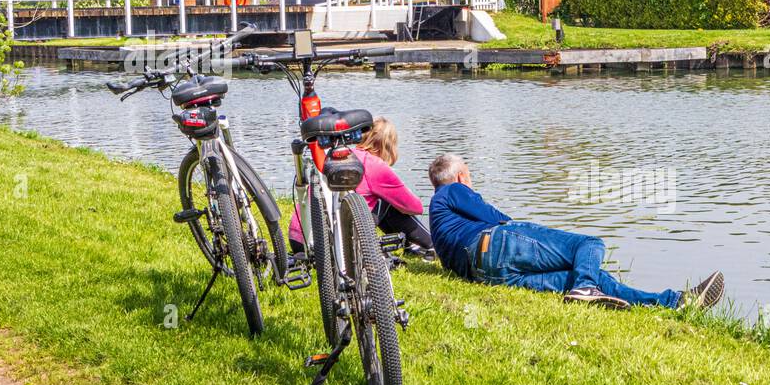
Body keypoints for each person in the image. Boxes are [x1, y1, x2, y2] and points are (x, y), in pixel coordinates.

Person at [426, 152, 723, 311]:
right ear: (461, 175)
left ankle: (675, 302)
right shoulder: (451, 190)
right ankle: (585, 289)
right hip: (498, 244)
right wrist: (513, 225)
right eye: (470, 174)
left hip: (487, 274)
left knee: (594, 277)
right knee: (589, 245)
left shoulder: (439, 219)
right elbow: (494, 216)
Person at [289, 117, 433, 259]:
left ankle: (411, 244)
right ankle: (431, 244)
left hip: (298, 238)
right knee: (387, 201)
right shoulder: (375, 166)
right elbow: (416, 207)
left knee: (377, 201)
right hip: (328, 242)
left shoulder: (343, 157)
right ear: (389, 145)